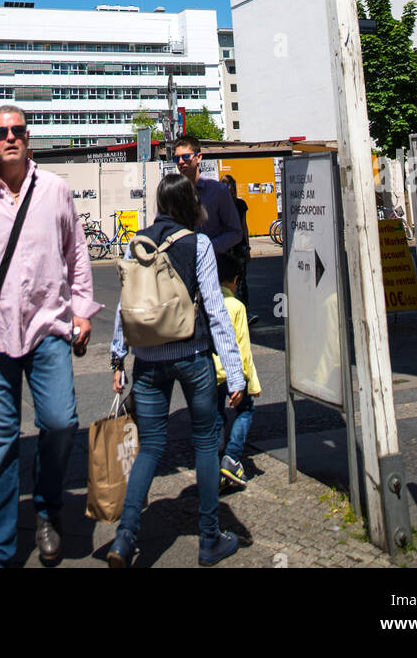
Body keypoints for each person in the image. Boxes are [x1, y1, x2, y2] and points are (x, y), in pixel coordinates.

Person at [0, 105, 102, 569]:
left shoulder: (54, 189)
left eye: (17, 131)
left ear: (29, 136)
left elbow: (76, 252)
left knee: (62, 422)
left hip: (48, 327)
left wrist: (83, 310)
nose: (9, 138)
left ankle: (47, 510)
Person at [107, 171, 247, 569]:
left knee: (149, 447)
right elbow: (217, 312)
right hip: (193, 355)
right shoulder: (199, 243)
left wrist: (118, 358)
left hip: (148, 361)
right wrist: (234, 374)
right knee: (205, 442)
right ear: (189, 204)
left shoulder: (140, 241)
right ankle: (208, 539)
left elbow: (125, 305)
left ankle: (124, 536)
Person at [213, 251, 261, 490]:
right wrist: (250, 382)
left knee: (216, 413)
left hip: (211, 373)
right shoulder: (236, 306)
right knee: (245, 411)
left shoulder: (207, 302)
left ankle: (217, 452)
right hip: (233, 372)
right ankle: (231, 457)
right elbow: (242, 346)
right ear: (234, 280)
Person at [173, 135, 242, 254]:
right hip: (181, 265)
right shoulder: (172, 193)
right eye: (176, 158)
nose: (180, 162)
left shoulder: (218, 191)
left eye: (185, 157)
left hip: (212, 265)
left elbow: (235, 232)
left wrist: (208, 248)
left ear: (198, 158)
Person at [221, 173, 258, 325]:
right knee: (226, 281)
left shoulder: (240, 205)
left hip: (239, 247)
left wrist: (248, 247)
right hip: (226, 248)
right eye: (224, 185)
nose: (228, 188)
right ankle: (228, 312)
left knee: (241, 280)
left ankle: (245, 312)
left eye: (230, 185)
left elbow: (244, 226)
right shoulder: (221, 204)